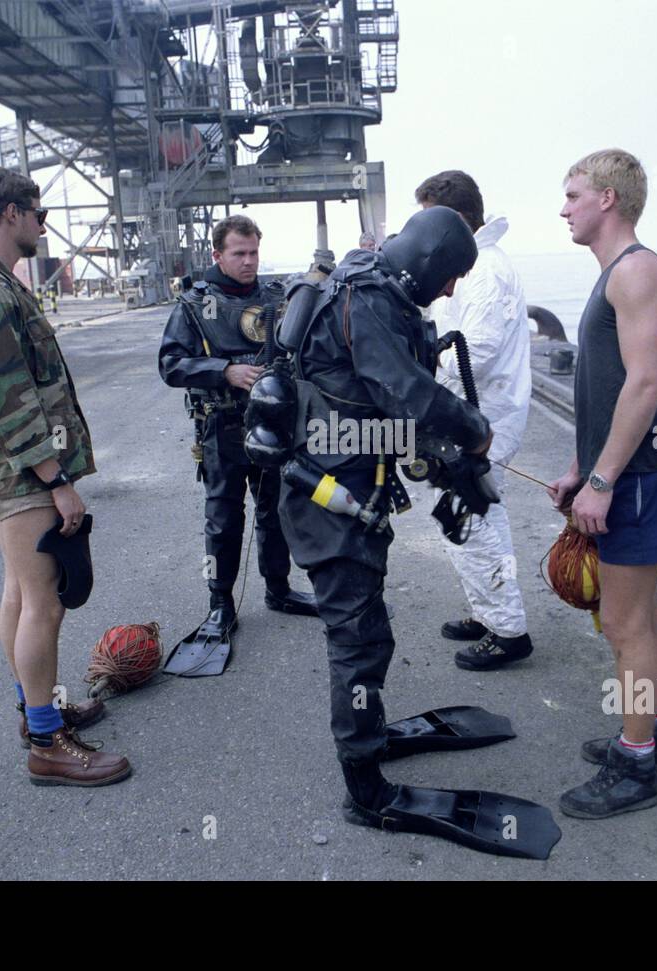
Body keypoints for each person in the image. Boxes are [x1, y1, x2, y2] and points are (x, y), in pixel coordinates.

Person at [275, 205, 562, 859]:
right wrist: (472, 425)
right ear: (433, 261)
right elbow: (406, 392)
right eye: (454, 275)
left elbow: (378, 402)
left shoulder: (372, 281)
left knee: (368, 626)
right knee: (358, 637)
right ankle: (365, 786)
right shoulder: (369, 298)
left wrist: (446, 459)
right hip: (329, 499)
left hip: (350, 480)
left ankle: (371, 732)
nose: (455, 289)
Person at [0, 167, 129, 786]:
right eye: (40, 214)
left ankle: (37, 708)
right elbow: (9, 396)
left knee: (21, 596)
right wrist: (57, 479)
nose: (44, 226)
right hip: (23, 474)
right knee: (44, 603)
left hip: (5, 470)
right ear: (12, 214)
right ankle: (48, 744)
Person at [547, 149, 657, 819]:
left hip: (634, 480)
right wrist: (581, 468)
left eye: (573, 194)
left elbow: (648, 383)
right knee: (646, 615)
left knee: (626, 626)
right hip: (636, 473)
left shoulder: (633, 274)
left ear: (607, 198)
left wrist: (601, 479)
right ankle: (655, 731)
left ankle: (634, 768)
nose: (564, 206)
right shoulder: (628, 272)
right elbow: (610, 389)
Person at [157, 215, 317, 675]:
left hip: (272, 425)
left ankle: (279, 589)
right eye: (238, 254)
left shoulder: (275, 299)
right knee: (223, 519)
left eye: (253, 253)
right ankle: (220, 603)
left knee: (275, 511)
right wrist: (223, 371)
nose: (248, 262)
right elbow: (170, 364)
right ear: (218, 255)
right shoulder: (194, 303)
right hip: (221, 427)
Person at [414, 170, 533, 670]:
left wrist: (426, 394)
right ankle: (488, 612)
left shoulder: (483, 269)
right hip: (477, 412)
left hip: (482, 416)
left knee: (477, 519)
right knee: (467, 518)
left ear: (454, 219)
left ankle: (508, 630)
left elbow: (475, 350)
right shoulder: (477, 262)